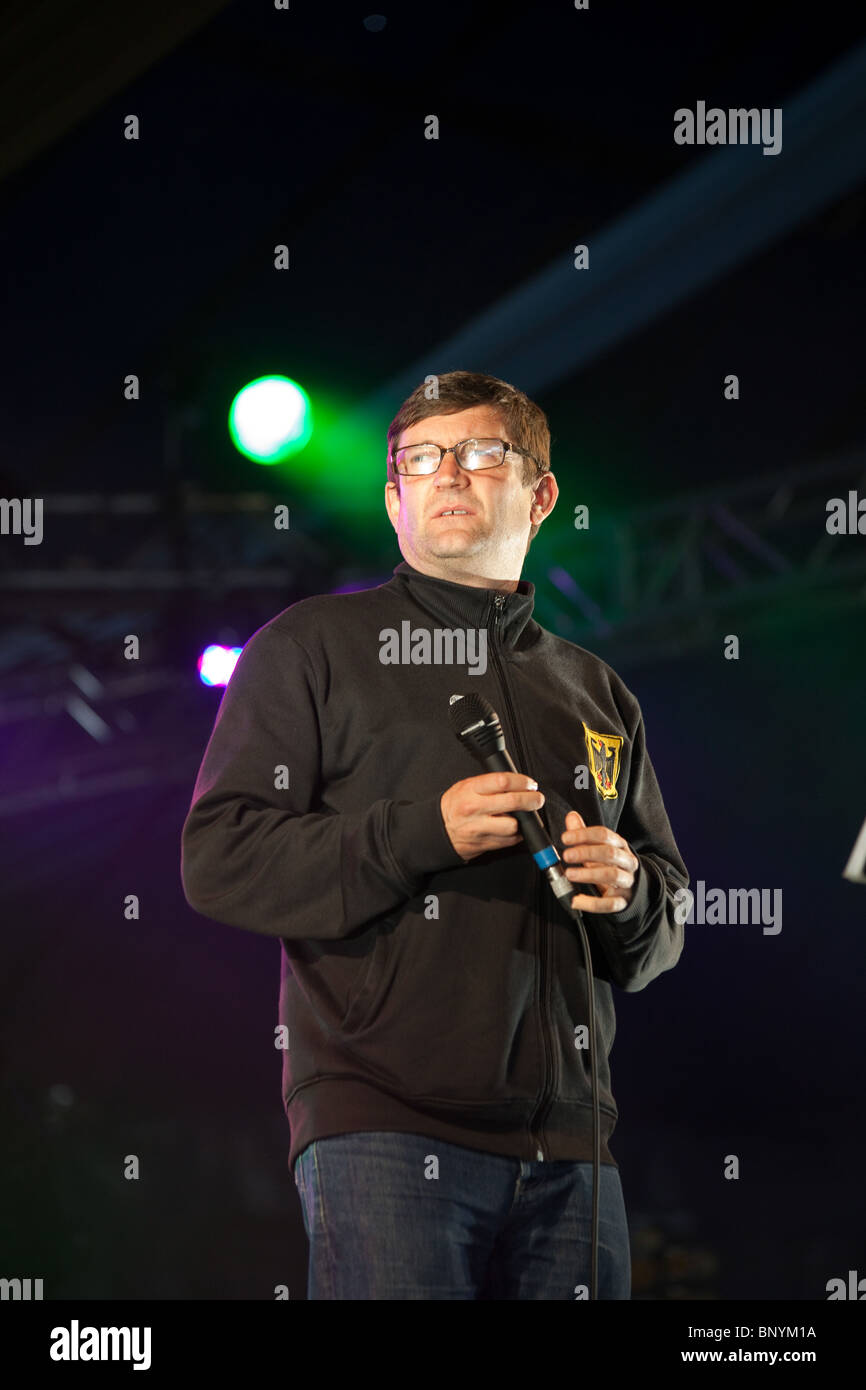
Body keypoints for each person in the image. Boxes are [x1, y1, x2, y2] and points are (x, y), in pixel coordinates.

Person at [180, 369, 689, 1300]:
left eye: (481, 452)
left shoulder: (597, 691)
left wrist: (632, 890)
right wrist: (425, 832)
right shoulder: (311, 647)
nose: (449, 473)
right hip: (382, 1125)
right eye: (421, 459)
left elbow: (660, 936)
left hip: (577, 1145)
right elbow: (221, 860)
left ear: (539, 494)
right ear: (393, 499)